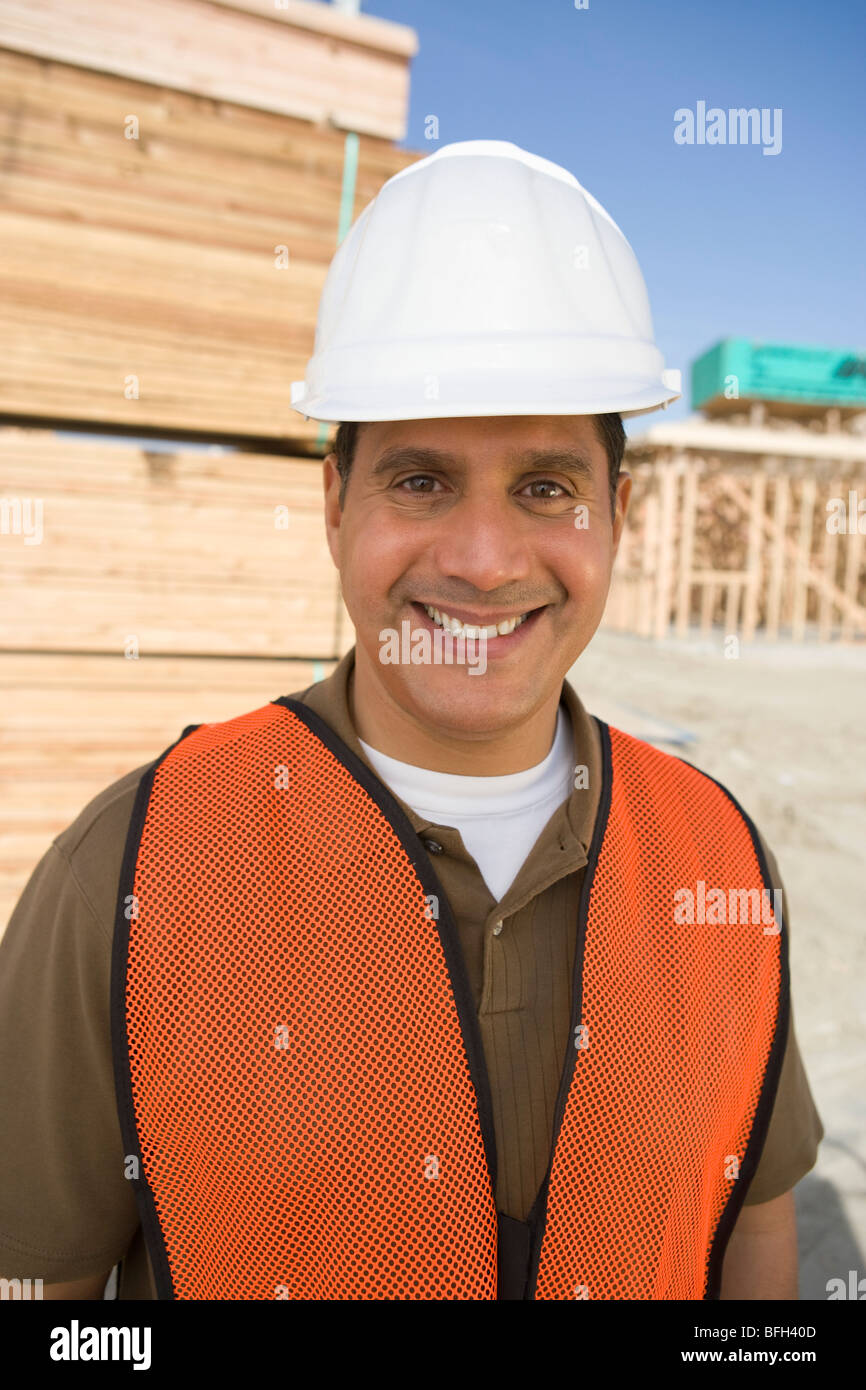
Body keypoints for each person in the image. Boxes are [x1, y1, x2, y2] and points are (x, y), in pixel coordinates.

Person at [0, 141, 822, 1301]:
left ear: (616, 517)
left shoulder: (719, 862)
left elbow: (749, 1228)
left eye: (544, 486)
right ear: (334, 503)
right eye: (420, 480)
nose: (483, 564)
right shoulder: (129, 873)